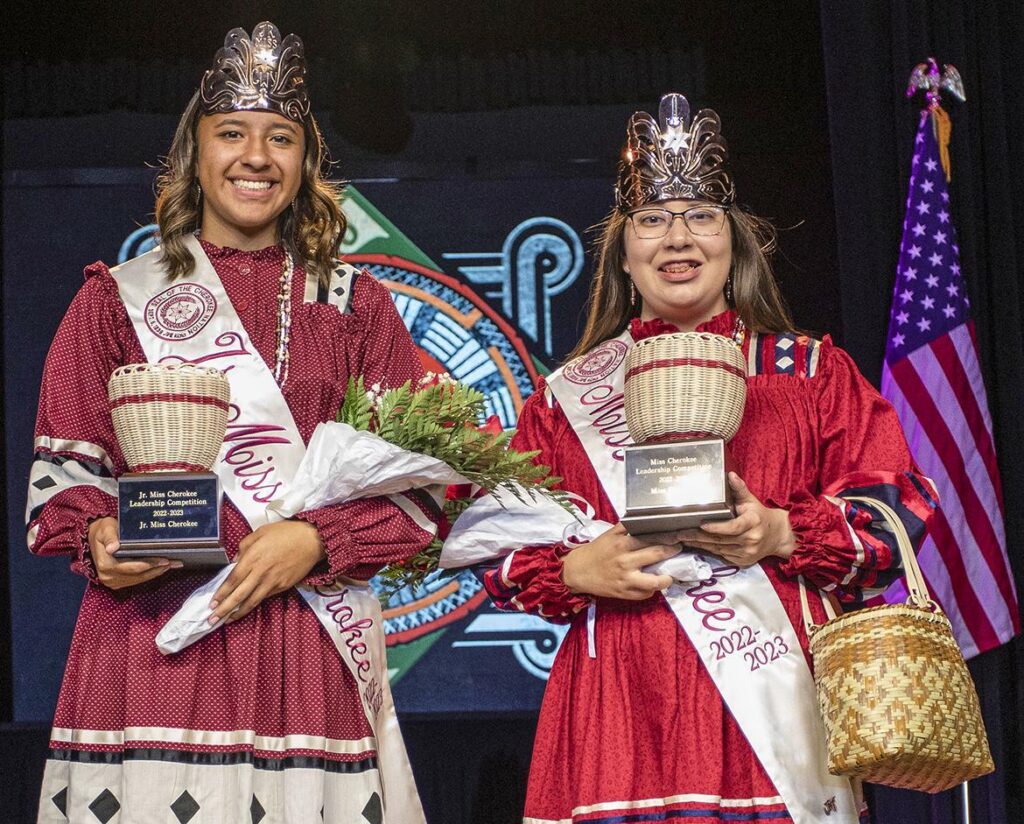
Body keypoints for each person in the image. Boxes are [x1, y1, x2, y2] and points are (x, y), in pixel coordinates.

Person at [481, 93, 937, 823]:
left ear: (733, 242)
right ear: (624, 254)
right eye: (653, 219)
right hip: (620, 710)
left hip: (776, 706)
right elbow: (491, 542)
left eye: (701, 215)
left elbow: (900, 510)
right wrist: (574, 569)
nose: (677, 237)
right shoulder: (565, 398)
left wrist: (782, 532)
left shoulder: (811, 373)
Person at [27, 22, 433, 823]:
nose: (256, 156)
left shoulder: (357, 307)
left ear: (304, 161)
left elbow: (421, 486)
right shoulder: (114, 298)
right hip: (151, 638)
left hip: (303, 637)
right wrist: (99, 539)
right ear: (195, 154)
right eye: (233, 134)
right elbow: (65, 481)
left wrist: (318, 540)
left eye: (280, 137)